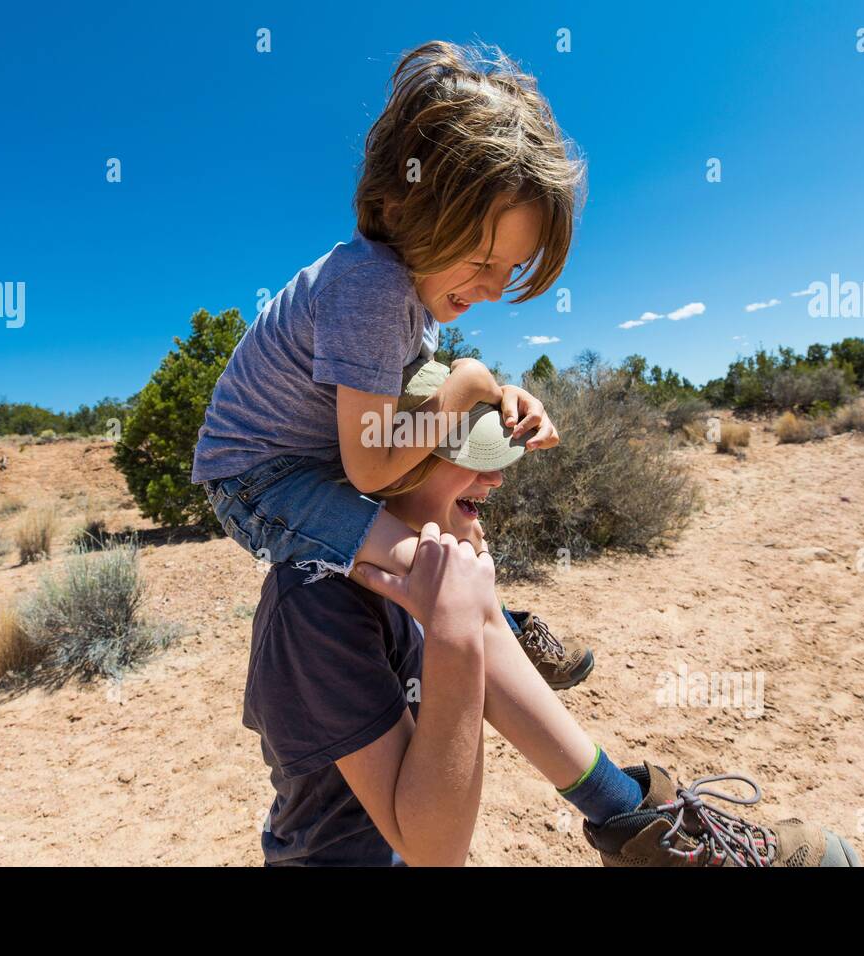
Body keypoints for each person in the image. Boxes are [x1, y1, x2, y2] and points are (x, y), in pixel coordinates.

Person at [242, 358, 862, 867]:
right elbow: (432, 850)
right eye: (474, 459)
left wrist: (629, 822)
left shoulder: (427, 567)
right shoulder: (315, 602)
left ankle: (652, 831)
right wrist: (454, 638)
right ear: (401, 465)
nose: (498, 480)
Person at [190, 40, 593, 688]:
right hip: (261, 480)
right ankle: (603, 786)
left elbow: (412, 404)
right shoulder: (372, 288)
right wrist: (467, 385)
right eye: (481, 259)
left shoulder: (408, 294)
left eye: (510, 269)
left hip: (323, 461)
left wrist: (500, 396)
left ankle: (507, 629)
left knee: (462, 543)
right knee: (430, 573)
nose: (494, 288)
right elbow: (372, 462)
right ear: (405, 208)